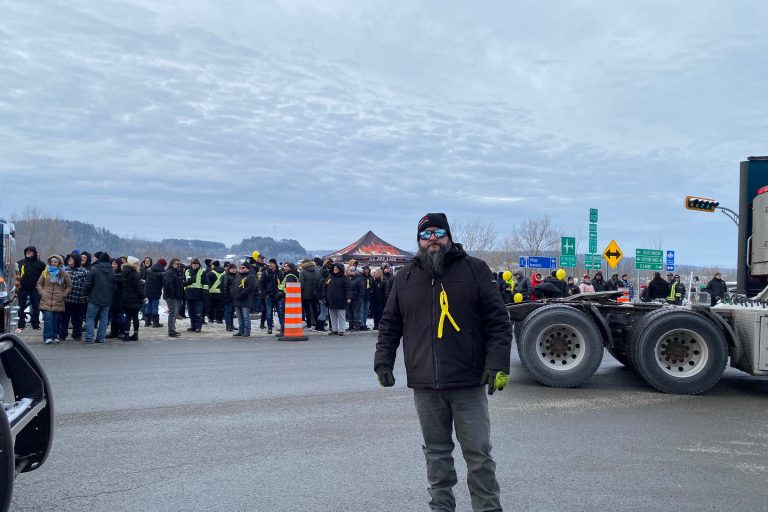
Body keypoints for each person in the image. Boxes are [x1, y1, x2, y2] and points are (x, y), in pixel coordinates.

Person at [374, 213, 512, 512]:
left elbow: (498, 321)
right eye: (426, 234)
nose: (432, 238)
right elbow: (389, 324)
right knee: (436, 455)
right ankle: (441, 508)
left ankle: (488, 508)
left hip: (468, 381)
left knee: (479, 455)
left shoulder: (474, 269)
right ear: (419, 241)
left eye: (438, 232)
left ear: (448, 236)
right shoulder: (405, 277)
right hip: (425, 384)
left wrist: (497, 363)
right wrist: (382, 361)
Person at [37, 255, 72, 344]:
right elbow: (39, 284)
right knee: (48, 318)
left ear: (59, 263)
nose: (53, 263)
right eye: (52, 262)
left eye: (55, 262)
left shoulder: (64, 273)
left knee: (56, 320)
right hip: (46, 299)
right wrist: (42, 292)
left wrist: (64, 294)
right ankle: (47, 337)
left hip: (58, 300)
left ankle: (54, 336)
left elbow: (69, 286)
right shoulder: (45, 272)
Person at [82, 252, 115, 343]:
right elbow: (114, 286)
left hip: (94, 298)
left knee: (90, 317)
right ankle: (100, 337)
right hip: (107, 299)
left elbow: (88, 284)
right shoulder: (112, 271)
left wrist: (84, 294)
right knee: (104, 318)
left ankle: (89, 337)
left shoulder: (94, 269)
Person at [15, 246, 46, 331]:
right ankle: (21, 324)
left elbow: (45, 276)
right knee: (21, 306)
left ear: (34, 253)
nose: (28, 252)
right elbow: (16, 276)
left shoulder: (41, 264)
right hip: (22, 288)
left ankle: (35, 324)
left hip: (35, 288)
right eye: (27, 251)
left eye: (30, 251)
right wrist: (16, 289)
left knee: (36, 306)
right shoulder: (20, 263)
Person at [60, 253, 88, 341]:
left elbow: (87, 284)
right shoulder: (66, 270)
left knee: (77, 319)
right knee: (64, 318)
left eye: (71, 259)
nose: (69, 261)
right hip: (67, 299)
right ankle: (62, 334)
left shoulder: (84, 271)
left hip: (79, 300)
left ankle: (77, 334)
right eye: (69, 259)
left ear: (76, 260)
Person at [120, 257, 145, 341]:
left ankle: (126, 334)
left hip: (125, 297)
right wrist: (143, 297)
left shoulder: (123, 272)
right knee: (135, 317)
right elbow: (138, 287)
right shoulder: (135, 274)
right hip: (135, 298)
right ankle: (135, 334)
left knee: (127, 317)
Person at [324, 263, 350, 335]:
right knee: (332, 316)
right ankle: (334, 329)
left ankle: (341, 330)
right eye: (334, 268)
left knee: (341, 316)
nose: (335, 269)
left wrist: (349, 297)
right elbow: (325, 287)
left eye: (336, 268)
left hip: (341, 300)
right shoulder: (329, 277)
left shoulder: (344, 278)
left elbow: (348, 289)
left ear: (340, 269)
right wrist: (324, 296)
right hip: (331, 300)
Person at [184, 258, 209, 333]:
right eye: (193, 263)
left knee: (198, 313)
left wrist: (204, 293)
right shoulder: (187, 271)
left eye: (196, 263)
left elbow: (205, 284)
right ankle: (193, 326)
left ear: (198, 264)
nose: (195, 265)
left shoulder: (202, 272)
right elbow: (183, 282)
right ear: (191, 264)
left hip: (199, 295)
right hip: (189, 295)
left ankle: (198, 327)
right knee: (191, 312)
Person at [232, 262, 256, 337]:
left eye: (243, 268)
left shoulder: (250, 276)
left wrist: (242, 294)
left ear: (247, 268)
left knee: (246, 317)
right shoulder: (238, 276)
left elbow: (251, 287)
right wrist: (232, 293)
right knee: (239, 317)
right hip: (237, 299)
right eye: (240, 267)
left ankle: (247, 331)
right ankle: (241, 330)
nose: (241, 269)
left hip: (245, 299)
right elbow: (234, 285)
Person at [260, 259, 283, 335]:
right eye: (269, 263)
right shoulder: (265, 273)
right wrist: (265, 294)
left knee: (280, 313)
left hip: (278, 296)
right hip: (269, 296)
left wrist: (281, 293)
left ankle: (283, 327)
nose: (270, 264)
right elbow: (261, 284)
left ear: (275, 264)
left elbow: (283, 283)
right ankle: (269, 328)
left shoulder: (280, 273)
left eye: (272, 263)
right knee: (269, 313)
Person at [162, 258, 184, 338]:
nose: (179, 265)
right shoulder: (169, 272)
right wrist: (173, 294)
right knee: (172, 313)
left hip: (177, 296)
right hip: (171, 296)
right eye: (177, 264)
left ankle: (173, 329)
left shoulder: (177, 272)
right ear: (172, 264)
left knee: (174, 313)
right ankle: (171, 331)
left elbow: (179, 284)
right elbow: (168, 285)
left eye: (179, 264)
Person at [299, 259, 321, 329]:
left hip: (305, 294)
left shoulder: (302, 271)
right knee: (315, 309)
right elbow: (319, 281)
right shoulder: (317, 270)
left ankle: (309, 325)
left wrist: (300, 293)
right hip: (315, 293)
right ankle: (318, 324)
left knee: (307, 310)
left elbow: (301, 284)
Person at [144, 258, 166, 328]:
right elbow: (163, 283)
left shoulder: (150, 269)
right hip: (156, 292)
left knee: (148, 305)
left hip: (147, 291)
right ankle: (155, 323)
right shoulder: (162, 272)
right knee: (154, 306)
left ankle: (147, 322)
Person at [221, 263, 238, 332]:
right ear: (229, 269)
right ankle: (228, 326)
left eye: (235, 268)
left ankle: (231, 325)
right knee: (228, 312)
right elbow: (223, 287)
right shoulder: (225, 276)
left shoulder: (237, 276)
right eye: (232, 268)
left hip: (234, 297)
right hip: (228, 297)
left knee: (232, 312)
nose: (234, 270)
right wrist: (225, 296)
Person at [346, 266, 363, 331]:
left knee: (356, 313)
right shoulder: (347, 278)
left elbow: (362, 289)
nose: (352, 272)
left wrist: (359, 298)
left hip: (356, 299)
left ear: (355, 271)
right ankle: (351, 326)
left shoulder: (358, 279)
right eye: (351, 270)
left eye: (353, 271)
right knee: (350, 313)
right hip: (349, 299)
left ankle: (356, 327)